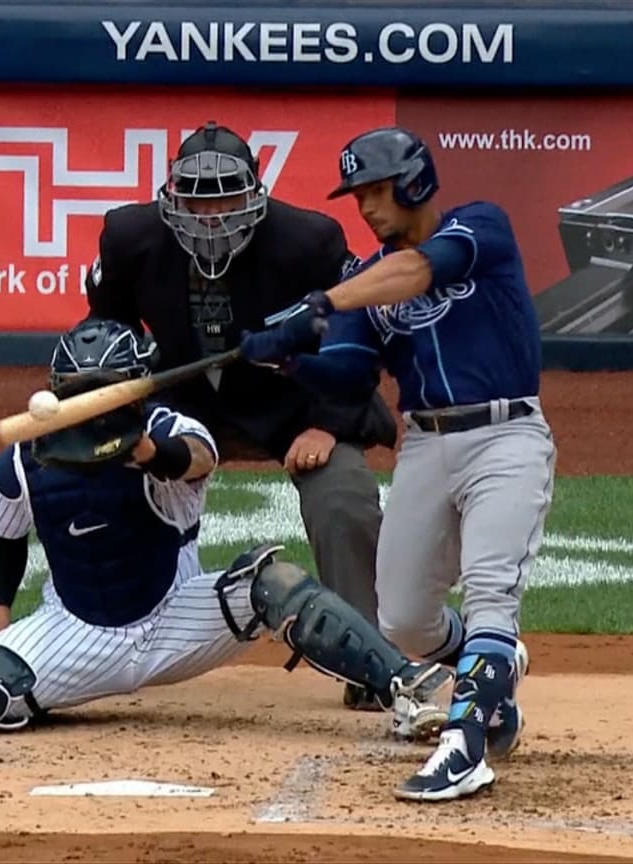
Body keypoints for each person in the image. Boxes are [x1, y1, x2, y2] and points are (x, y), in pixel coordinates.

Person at [0, 315, 452, 745]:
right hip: (77, 631)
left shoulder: (171, 429)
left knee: (272, 583)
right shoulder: (23, 460)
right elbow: (4, 537)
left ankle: (401, 683)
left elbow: (196, 459)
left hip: (178, 617)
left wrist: (138, 450)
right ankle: (62, 690)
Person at [239, 125, 553, 802]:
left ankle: (465, 746)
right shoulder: (361, 281)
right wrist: (286, 356)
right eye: (359, 197)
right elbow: (350, 376)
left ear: (413, 181)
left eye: (378, 191)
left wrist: (318, 305)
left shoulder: (480, 228)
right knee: (405, 620)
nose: (368, 208)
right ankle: (488, 668)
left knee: (493, 589)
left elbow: (414, 272)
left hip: (507, 437)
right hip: (426, 446)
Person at [84, 121, 400, 712]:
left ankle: (371, 657)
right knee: (102, 474)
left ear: (255, 190)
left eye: (226, 193)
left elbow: (358, 339)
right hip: (180, 408)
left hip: (289, 406)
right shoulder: (129, 237)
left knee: (344, 497)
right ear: (172, 195)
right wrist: (122, 416)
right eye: (198, 197)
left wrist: (327, 423)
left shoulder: (311, 241)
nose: (211, 212)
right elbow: (104, 335)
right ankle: (103, 632)